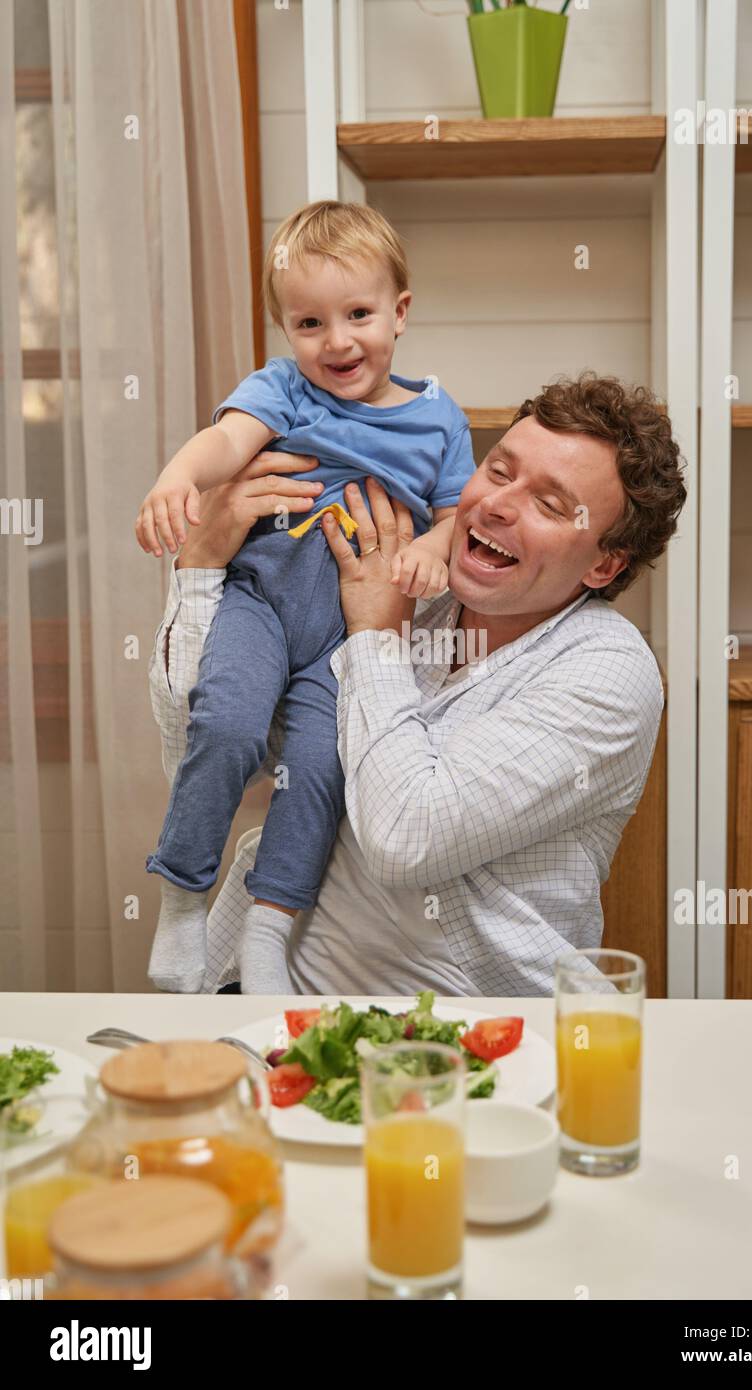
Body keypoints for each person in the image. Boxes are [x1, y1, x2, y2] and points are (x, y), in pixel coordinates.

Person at [148, 372, 687, 996]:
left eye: (550, 504)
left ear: (603, 563)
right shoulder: (408, 584)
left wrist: (374, 637)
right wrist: (202, 565)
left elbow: (406, 839)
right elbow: (204, 749)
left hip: (476, 1027)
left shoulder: (607, 670)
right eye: (500, 470)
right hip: (269, 988)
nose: (498, 505)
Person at [138, 201, 475, 993]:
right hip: (261, 601)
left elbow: (458, 513)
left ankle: (268, 931)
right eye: (309, 322)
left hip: (348, 638)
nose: (338, 341)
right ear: (287, 332)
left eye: (358, 314)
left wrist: (430, 547)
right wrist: (178, 477)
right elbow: (226, 442)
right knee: (223, 721)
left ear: (400, 312)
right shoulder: (284, 390)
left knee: (322, 766)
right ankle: (184, 899)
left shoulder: (438, 419)